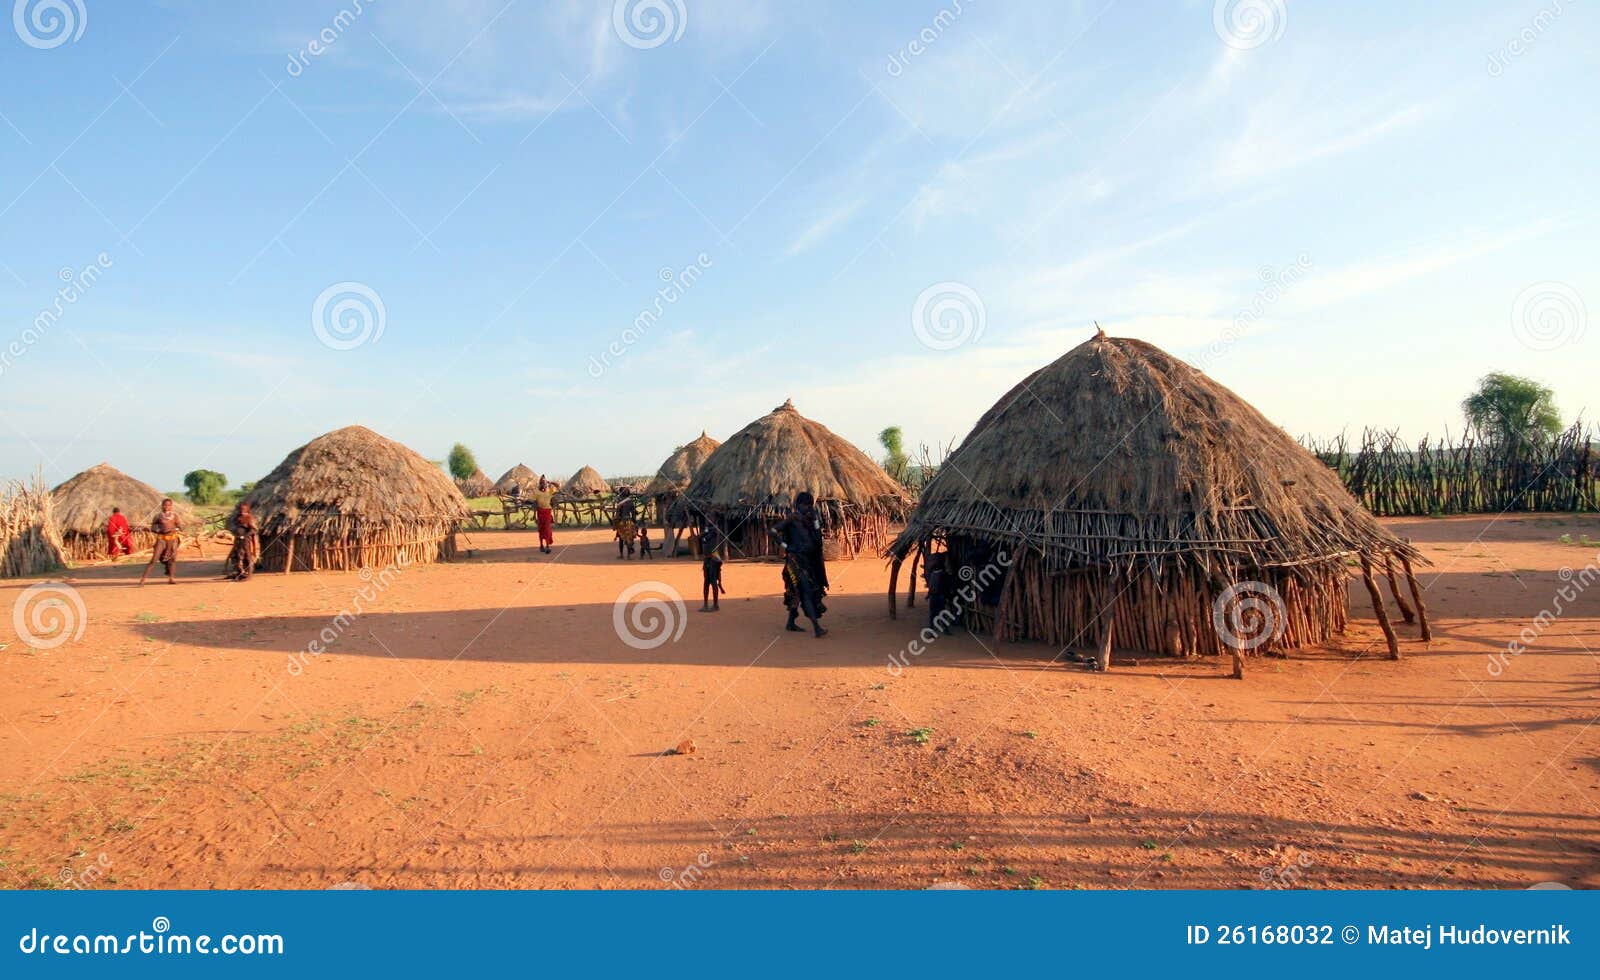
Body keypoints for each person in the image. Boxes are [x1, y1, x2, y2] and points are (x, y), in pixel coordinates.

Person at [771, 491, 828, 638]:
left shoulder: (809, 522)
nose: (807, 507)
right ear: (798, 505)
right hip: (795, 561)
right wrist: (786, 546)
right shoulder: (792, 519)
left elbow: (818, 540)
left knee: (797, 593)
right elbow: (772, 531)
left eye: (809, 505)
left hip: (808, 561)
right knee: (806, 592)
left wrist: (815, 518)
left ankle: (790, 623)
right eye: (805, 505)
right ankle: (817, 627)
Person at [139, 498, 182, 585]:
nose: (167, 507)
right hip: (161, 539)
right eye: (165, 505)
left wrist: (176, 528)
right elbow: (153, 527)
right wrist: (158, 530)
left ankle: (171, 578)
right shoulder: (158, 516)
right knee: (154, 559)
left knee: (172, 559)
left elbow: (179, 526)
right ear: (162, 506)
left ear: (171, 506)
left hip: (172, 539)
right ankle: (143, 579)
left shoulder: (175, 516)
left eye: (169, 505)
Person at [224, 501, 260, 581]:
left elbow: (253, 530)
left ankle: (249, 575)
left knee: (247, 556)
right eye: (240, 509)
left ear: (247, 510)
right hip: (238, 540)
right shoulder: (237, 517)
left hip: (245, 541)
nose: (241, 511)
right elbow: (233, 528)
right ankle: (240, 573)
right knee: (237, 556)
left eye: (243, 509)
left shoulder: (249, 518)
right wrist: (236, 535)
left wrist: (244, 536)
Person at [923, 548, 954, 636]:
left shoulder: (933, 574)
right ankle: (944, 629)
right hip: (940, 596)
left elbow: (931, 587)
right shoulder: (943, 574)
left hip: (934, 596)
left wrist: (928, 595)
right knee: (941, 612)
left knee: (933, 613)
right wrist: (948, 595)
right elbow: (946, 587)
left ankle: (932, 630)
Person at [528, 477, 556, 554]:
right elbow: (532, 501)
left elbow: (557, 486)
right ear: (539, 484)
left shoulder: (549, 491)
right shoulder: (536, 492)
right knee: (541, 529)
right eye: (542, 483)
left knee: (547, 529)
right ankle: (541, 546)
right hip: (540, 512)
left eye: (545, 483)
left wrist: (551, 482)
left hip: (547, 512)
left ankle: (547, 546)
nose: (544, 484)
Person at [612, 488, 638, 559]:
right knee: (629, 539)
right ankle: (629, 556)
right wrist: (635, 522)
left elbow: (618, 514)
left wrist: (615, 523)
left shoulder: (620, 502)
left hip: (621, 523)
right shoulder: (630, 501)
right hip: (629, 522)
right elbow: (633, 513)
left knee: (621, 539)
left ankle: (621, 555)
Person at [700, 546, 725, 612]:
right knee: (706, 583)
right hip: (707, 558)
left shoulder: (712, 536)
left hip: (713, 558)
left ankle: (715, 605)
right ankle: (705, 605)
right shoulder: (705, 537)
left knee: (713, 582)